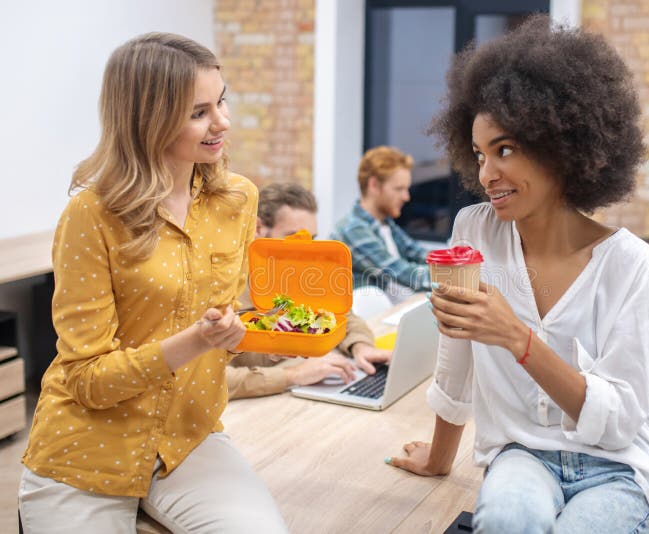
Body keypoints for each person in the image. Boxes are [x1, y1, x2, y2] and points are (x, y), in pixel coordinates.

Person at [386, 16, 649, 534]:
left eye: (504, 150)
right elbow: (457, 360)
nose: (486, 174)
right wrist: (439, 456)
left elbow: (619, 424)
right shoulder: (474, 231)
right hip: (521, 455)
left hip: (620, 469)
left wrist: (518, 339)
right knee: (502, 521)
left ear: (561, 147)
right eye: (478, 154)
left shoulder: (627, 263)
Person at [19, 33, 287, 533]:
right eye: (198, 112)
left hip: (188, 436)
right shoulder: (91, 215)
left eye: (221, 101)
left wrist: (262, 339)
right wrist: (195, 342)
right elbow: (84, 378)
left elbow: (226, 325)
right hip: (84, 450)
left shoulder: (239, 199)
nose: (222, 122)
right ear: (149, 119)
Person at [226, 182, 392, 400]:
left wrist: (361, 346)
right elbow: (210, 378)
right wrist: (291, 375)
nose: (305, 249)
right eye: (294, 237)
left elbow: (341, 317)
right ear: (258, 229)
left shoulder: (300, 274)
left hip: (297, 395)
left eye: (311, 239)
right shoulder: (225, 284)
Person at [330, 146, 431, 304]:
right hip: (373, 323)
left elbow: (420, 254)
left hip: (394, 314)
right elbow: (401, 272)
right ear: (374, 185)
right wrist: (454, 276)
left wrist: (452, 263)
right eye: (399, 189)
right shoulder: (353, 230)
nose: (406, 197)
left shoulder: (386, 225)